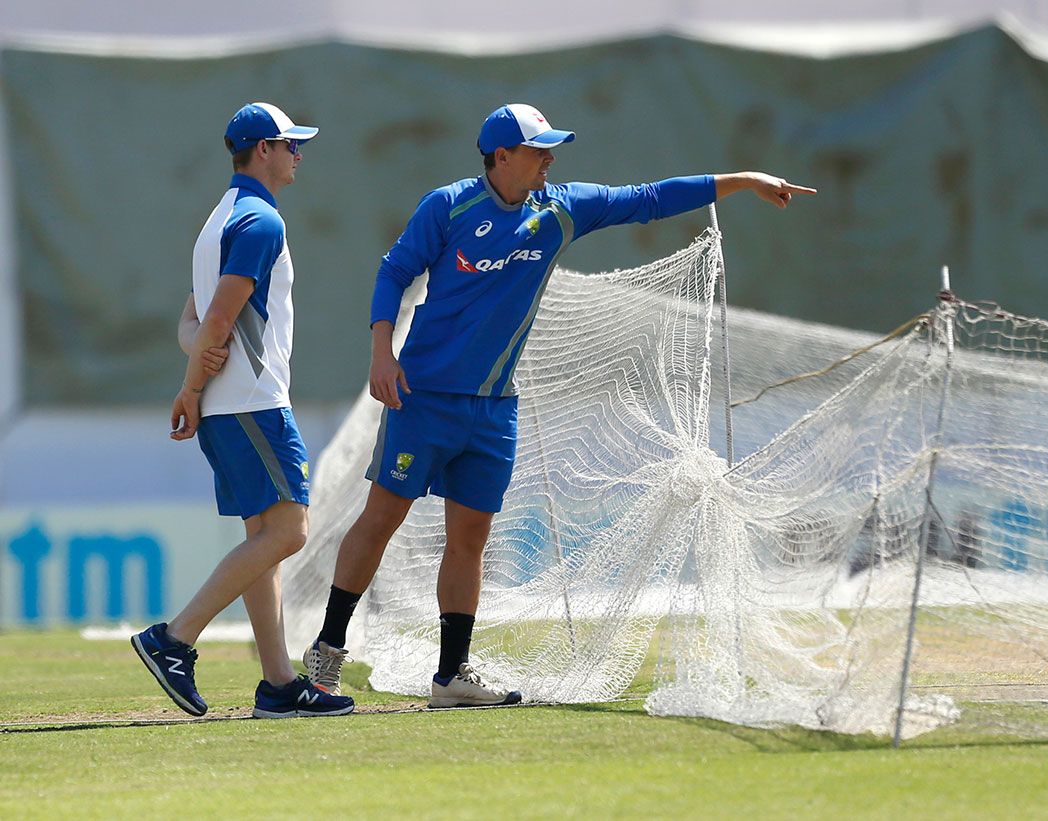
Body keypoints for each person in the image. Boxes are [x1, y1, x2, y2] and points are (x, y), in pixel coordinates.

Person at [303, 103, 816, 707]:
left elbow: (648, 198)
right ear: (501, 156)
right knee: (382, 519)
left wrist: (743, 181)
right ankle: (326, 656)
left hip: (494, 408)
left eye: (551, 147)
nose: (550, 157)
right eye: (538, 148)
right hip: (424, 397)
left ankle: (451, 676)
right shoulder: (449, 206)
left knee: (470, 538)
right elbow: (395, 272)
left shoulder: (560, 209)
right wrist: (380, 354)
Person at [131, 103, 354, 719]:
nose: (297, 155)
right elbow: (220, 323)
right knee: (289, 531)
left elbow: (195, 324)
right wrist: (189, 388)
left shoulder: (219, 221)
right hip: (254, 402)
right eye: (289, 144)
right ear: (262, 150)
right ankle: (172, 639)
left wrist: (192, 386)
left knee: (263, 536)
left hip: (232, 405)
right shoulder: (260, 222)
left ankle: (279, 684)